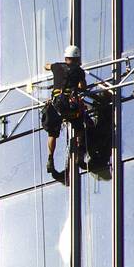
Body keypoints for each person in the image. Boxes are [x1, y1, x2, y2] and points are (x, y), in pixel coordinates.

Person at [42, 44, 93, 183]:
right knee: (81, 126)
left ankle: (50, 158)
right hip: (71, 107)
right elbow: (83, 87)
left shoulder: (57, 66)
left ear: (66, 58)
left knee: (52, 133)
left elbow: (46, 66)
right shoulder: (79, 71)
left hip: (56, 106)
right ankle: (78, 153)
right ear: (77, 59)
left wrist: (53, 67)